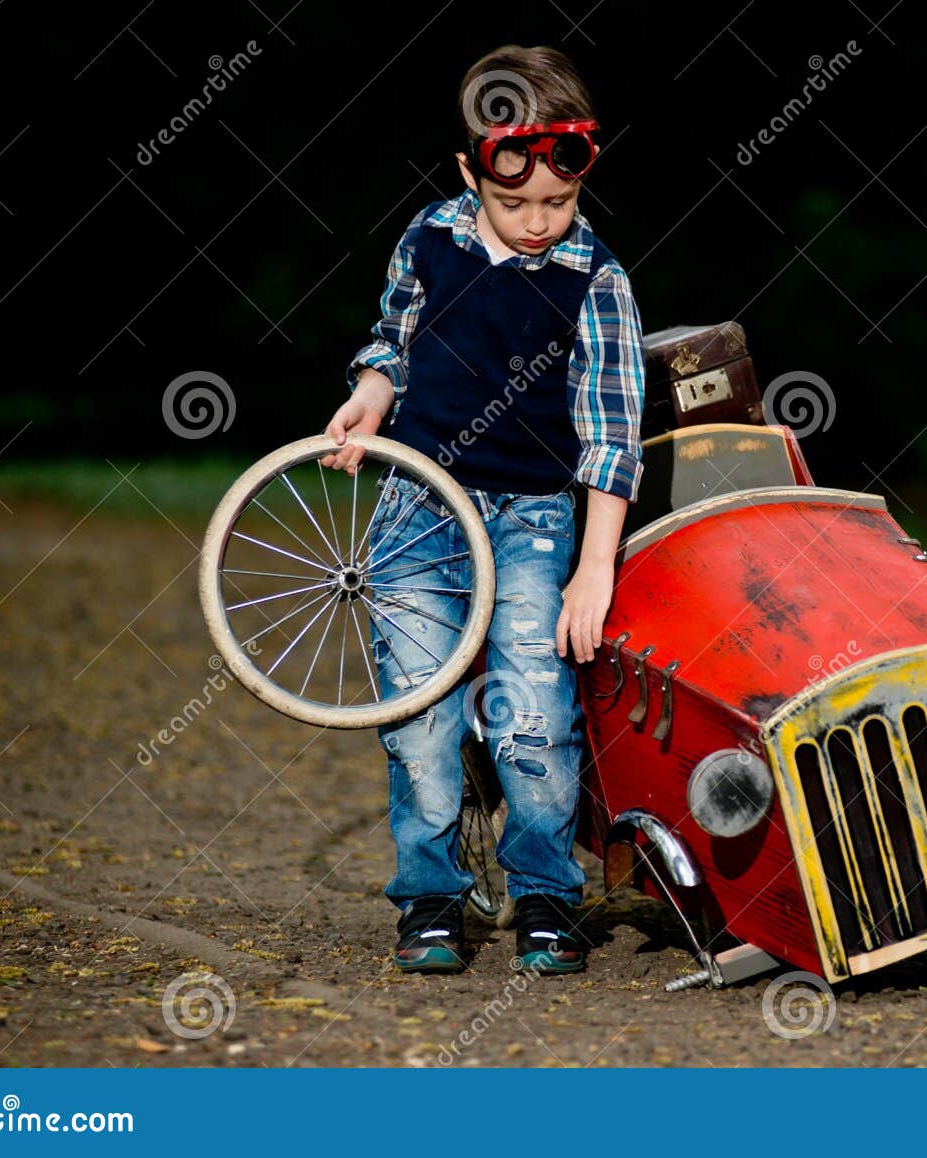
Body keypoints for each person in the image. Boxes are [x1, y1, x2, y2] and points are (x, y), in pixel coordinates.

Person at [319, 44, 645, 975]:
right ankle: (429, 898)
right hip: (420, 509)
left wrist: (595, 565)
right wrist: (372, 397)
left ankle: (545, 893)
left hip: (537, 520)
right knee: (420, 715)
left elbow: (611, 437)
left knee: (535, 716)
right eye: (516, 203)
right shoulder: (429, 238)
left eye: (559, 202)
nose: (539, 222)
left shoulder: (598, 281)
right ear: (472, 173)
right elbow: (394, 341)